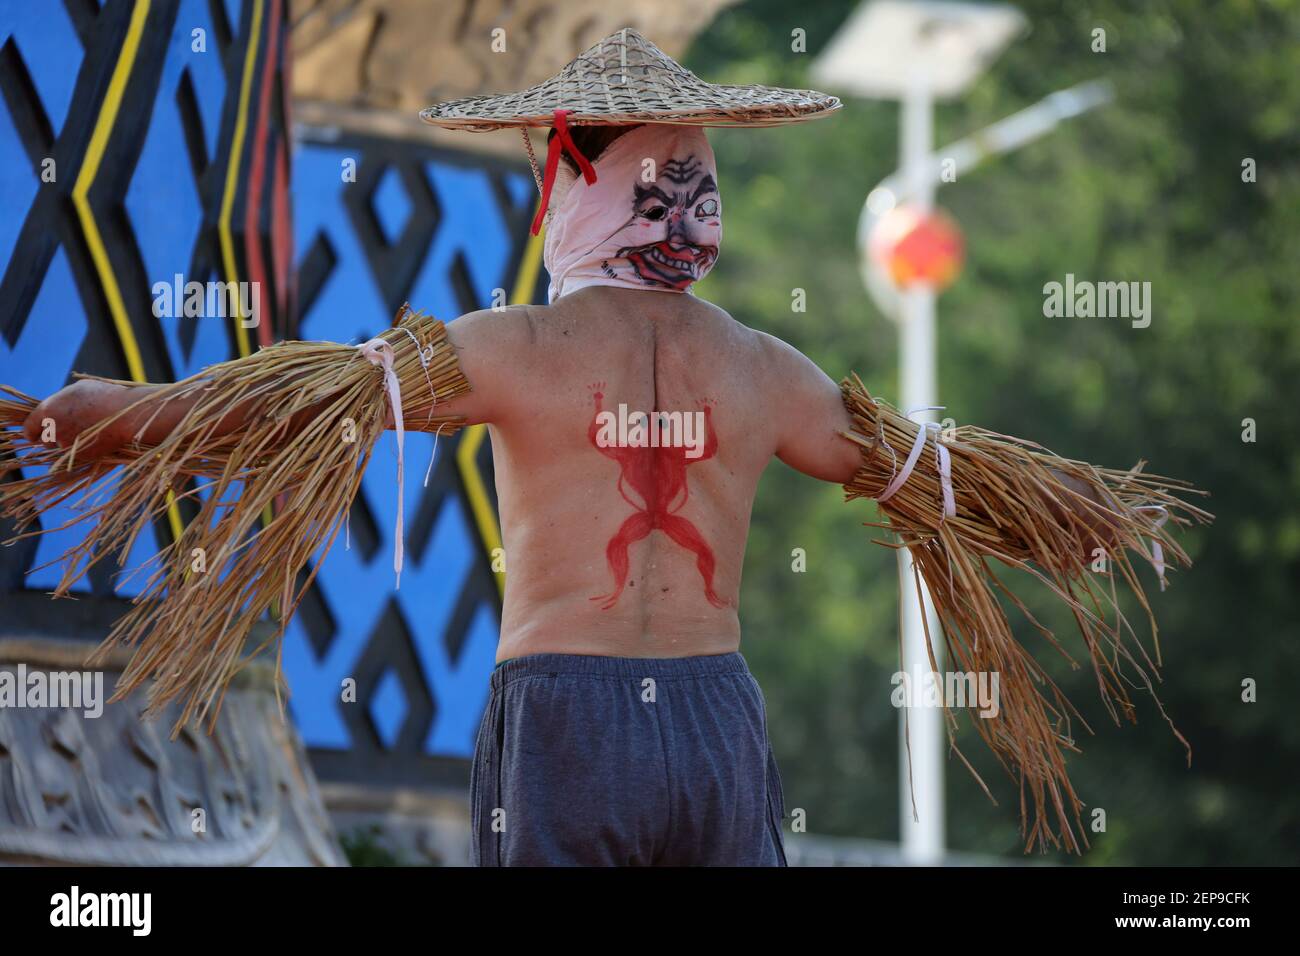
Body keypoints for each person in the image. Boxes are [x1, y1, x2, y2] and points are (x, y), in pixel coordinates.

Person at [16, 30, 1141, 865]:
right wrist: (1081, 518)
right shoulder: (764, 369)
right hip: (713, 716)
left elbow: (292, 409)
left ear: (576, 192)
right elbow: (933, 475)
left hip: (567, 716)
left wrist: (119, 412)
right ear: (698, 194)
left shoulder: (516, 347)